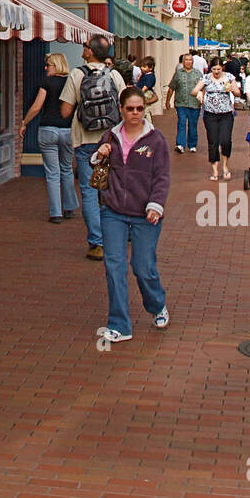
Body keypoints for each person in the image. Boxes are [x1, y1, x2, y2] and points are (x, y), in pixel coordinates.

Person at [90, 86, 171, 343]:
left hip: (145, 213)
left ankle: (157, 304)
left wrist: (155, 205)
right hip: (113, 211)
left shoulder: (155, 140)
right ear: (121, 110)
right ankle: (119, 324)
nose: (135, 113)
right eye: (130, 109)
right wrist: (99, 153)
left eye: (139, 108)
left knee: (143, 267)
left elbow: (162, 177)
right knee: (114, 267)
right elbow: (98, 164)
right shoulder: (111, 136)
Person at [59, 37, 126, 260]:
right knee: (111, 190)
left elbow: (66, 112)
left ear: (90, 52)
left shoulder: (77, 75)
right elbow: (124, 108)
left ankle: (97, 243)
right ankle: (117, 236)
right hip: (111, 142)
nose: (83, 49)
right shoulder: (114, 75)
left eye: (86, 47)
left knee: (89, 192)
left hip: (86, 142)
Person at [19, 53, 79, 223]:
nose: (46, 68)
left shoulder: (47, 82)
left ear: (57, 65)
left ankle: (56, 213)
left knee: (53, 173)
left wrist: (24, 122)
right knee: (66, 169)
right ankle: (69, 208)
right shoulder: (71, 82)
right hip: (67, 130)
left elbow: (37, 106)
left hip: (48, 130)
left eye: (49, 65)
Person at [193, 58, 241, 181]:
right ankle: (214, 169)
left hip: (226, 114)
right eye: (214, 69)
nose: (216, 71)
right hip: (210, 114)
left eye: (218, 69)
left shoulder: (229, 77)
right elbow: (194, 90)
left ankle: (225, 165)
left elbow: (238, 93)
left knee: (225, 140)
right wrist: (198, 93)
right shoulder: (206, 78)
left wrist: (232, 88)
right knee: (213, 141)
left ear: (222, 68)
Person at [165, 51, 202, 153]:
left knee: (192, 125)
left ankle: (192, 144)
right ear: (183, 62)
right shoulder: (178, 73)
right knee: (181, 123)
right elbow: (172, 87)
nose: (188, 62)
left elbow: (203, 88)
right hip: (181, 103)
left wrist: (203, 99)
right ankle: (180, 144)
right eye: (186, 60)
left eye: (190, 60)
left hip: (194, 104)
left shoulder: (198, 74)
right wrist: (168, 101)